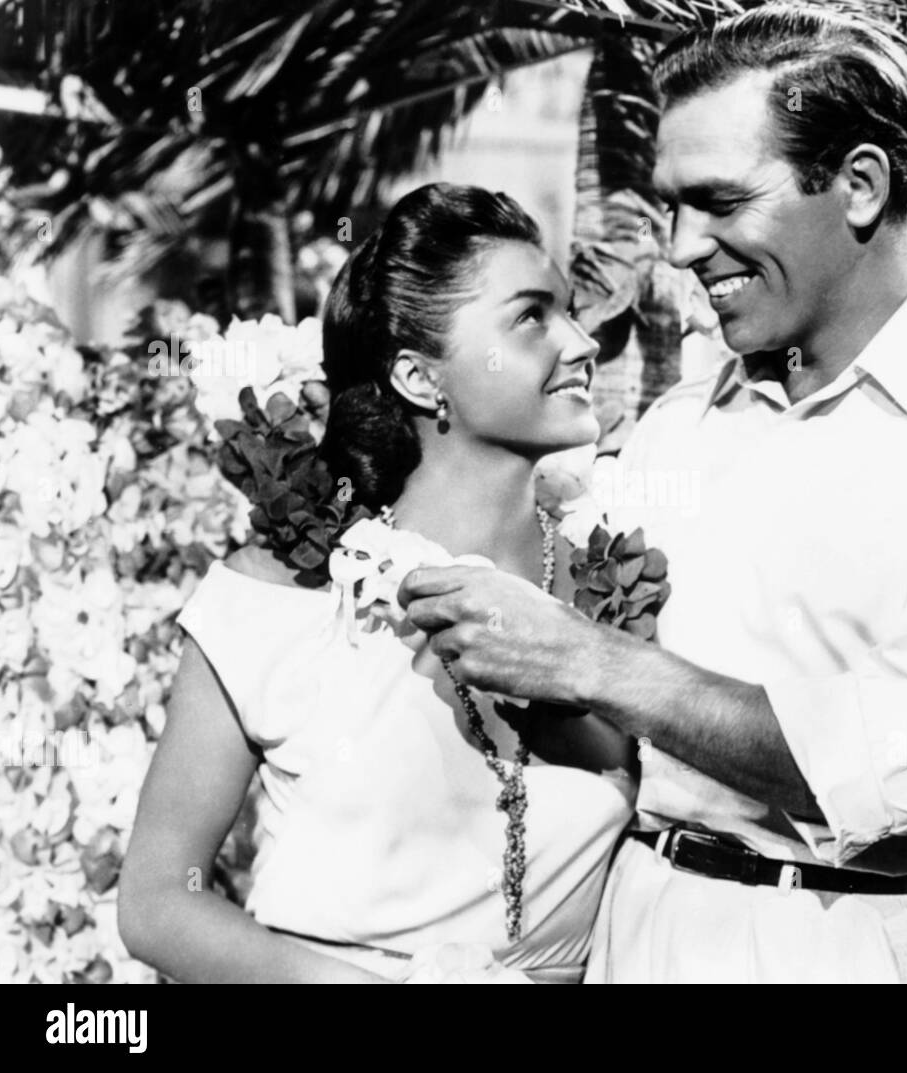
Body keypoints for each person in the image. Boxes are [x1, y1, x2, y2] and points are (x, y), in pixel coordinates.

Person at [398, 5, 907, 983]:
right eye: (669, 205)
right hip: (635, 920)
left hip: (844, 944)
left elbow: (902, 769)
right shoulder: (682, 419)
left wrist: (587, 658)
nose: (680, 245)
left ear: (861, 187)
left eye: (719, 201)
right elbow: (607, 722)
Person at [119, 184, 636, 983]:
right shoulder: (280, 596)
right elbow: (157, 901)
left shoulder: (618, 589)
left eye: (570, 311)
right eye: (531, 316)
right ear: (420, 379)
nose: (580, 343)